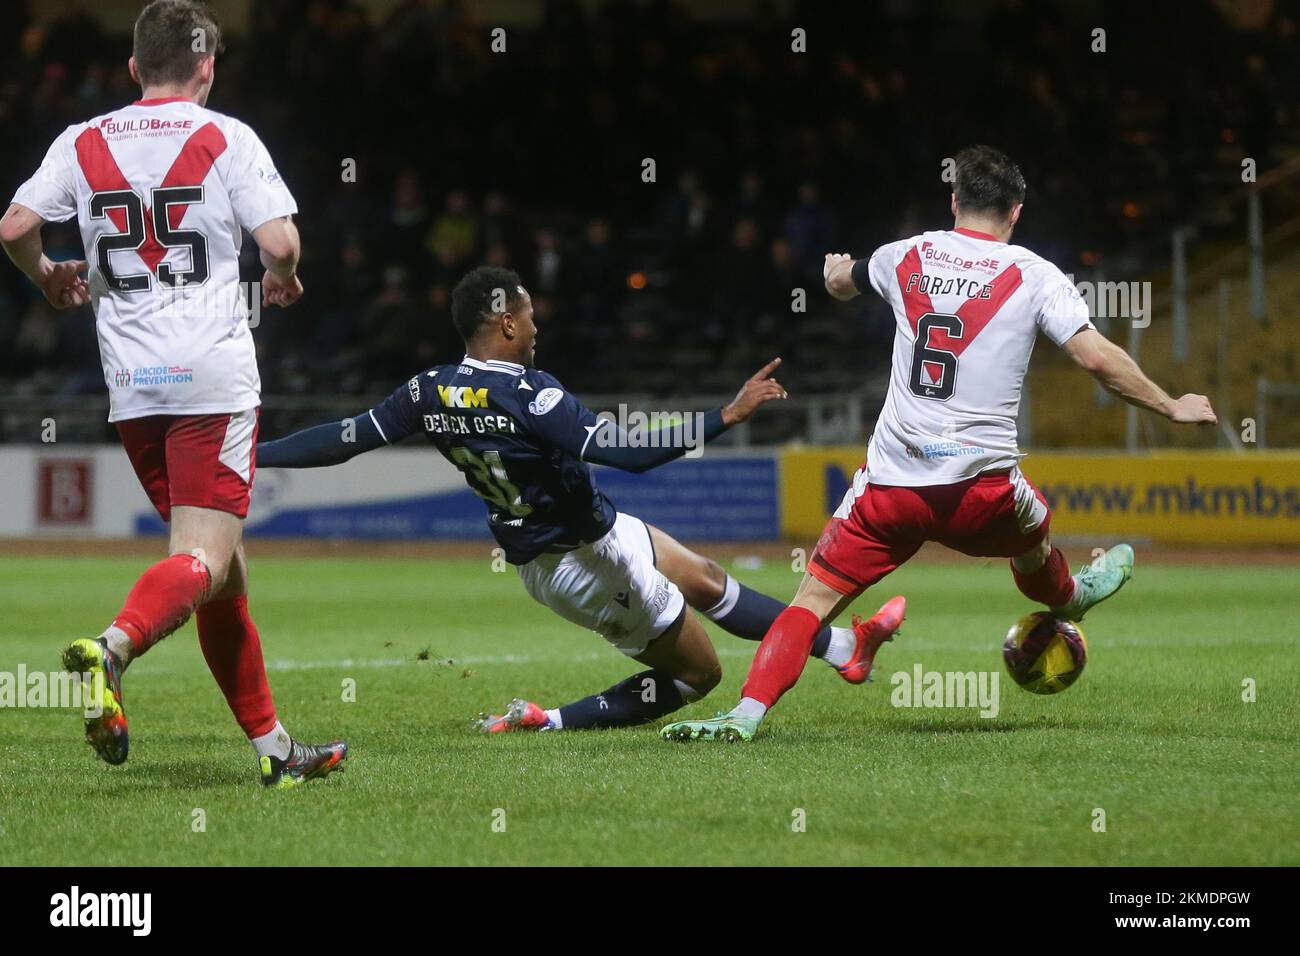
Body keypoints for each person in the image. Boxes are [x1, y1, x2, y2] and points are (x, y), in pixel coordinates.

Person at [662, 144, 1217, 742]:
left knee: (809, 604)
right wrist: (1169, 404)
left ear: (953, 201)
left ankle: (744, 717)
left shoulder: (907, 255)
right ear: (1017, 211)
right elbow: (1095, 357)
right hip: (982, 491)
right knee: (1034, 542)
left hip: (891, 491)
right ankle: (1071, 596)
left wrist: (832, 272)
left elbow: (841, 283)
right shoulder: (1034, 275)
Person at [257, 265, 903, 732]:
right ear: (505, 320)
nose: (537, 323)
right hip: (579, 564)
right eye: (530, 312)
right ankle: (549, 722)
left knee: (705, 579)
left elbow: (342, 440)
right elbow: (630, 453)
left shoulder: (428, 390)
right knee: (700, 677)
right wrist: (727, 415)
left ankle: (844, 650)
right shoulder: (531, 394)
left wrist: (252, 455)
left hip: (591, 531)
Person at [0, 0, 346, 787]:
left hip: (134, 389)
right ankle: (110, 650)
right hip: (212, 383)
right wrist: (283, 280)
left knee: (225, 575)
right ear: (207, 68)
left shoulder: (83, 140)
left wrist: (47, 276)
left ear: (133, 68)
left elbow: (15, 225)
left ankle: (276, 751)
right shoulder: (225, 136)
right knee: (201, 558)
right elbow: (282, 242)